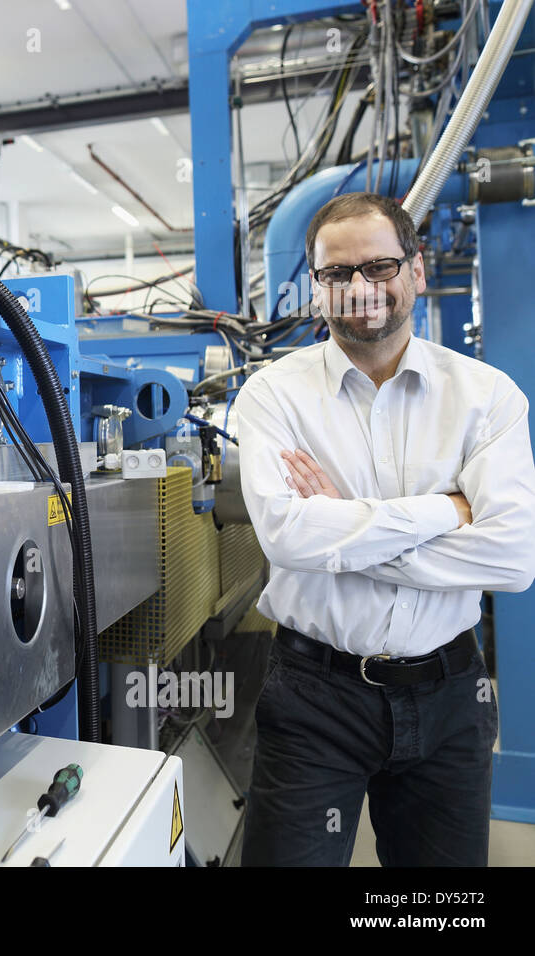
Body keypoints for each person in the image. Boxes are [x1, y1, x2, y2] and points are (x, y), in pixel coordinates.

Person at [234, 191, 535, 866]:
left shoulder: (486, 397)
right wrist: (448, 511)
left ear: (416, 271)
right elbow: (287, 537)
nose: (360, 289)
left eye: (380, 267)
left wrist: (342, 532)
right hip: (315, 699)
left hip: (451, 695)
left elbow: (515, 558)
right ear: (316, 287)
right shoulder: (273, 396)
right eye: (337, 274)